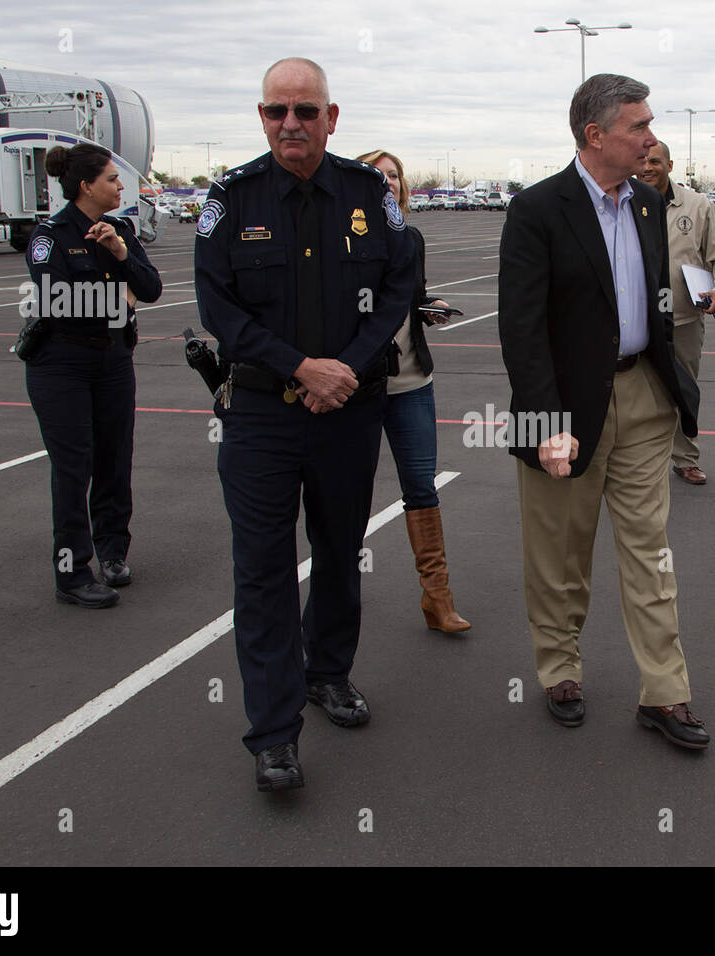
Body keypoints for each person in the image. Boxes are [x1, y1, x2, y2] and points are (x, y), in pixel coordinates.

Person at [194, 58, 415, 791]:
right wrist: (301, 368)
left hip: (348, 411)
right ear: (262, 117)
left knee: (341, 550)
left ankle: (328, 675)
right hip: (259, 414)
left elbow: (395, 291)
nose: (291, 123)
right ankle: (273, 734)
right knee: (261, 573)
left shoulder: (366, 194)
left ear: (332, 116)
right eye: (276, 111)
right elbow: (219, 308)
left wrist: (343, 368)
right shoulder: (231, 198)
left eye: (305, 111)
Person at [498, 73, 709, 751]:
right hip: (563, 410)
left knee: (651, 552)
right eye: (638, 127)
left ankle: (666, 692)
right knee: (560, 554)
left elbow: (653, 302)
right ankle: (560, 670)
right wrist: (545, 423)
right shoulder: (538, 210)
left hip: (644, 402)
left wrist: (673, 378)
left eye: (649, 126)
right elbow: (522, 330)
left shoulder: (647, 204)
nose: (650, 138)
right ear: (597, 136)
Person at [24, 143, 162, 609]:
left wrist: (121, 254)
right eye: (111, 179)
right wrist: (115, 303)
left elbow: (152, 289)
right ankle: (72, 572)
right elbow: (54, 300)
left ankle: (112, 552)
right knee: (72, 467)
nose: (121, 186)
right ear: (86, 186)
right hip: (62, 364)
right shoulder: (51, 235)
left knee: (114, 457)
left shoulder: (121, 229)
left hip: (113, 361)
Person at [355, 149, 469, 632]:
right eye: (376, 176)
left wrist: (431, 305)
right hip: (356, 386)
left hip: (411, 381)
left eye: (394, 175)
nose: (388, 181)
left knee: (421, 489)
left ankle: (437, 598)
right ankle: (338, 596)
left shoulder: (412, 237)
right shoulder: (345, 239)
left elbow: (412, 295)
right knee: (347, 495)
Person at [639, 140, 715, 485]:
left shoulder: (698, 207)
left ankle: (685, 459)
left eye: (655, 161)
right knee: (627, 391)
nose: (648, 167)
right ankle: (631, 461)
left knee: (682, 391)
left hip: (681, 319)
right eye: (642, 160)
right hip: (631, 319)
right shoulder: (619, 203)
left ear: (670, 165)